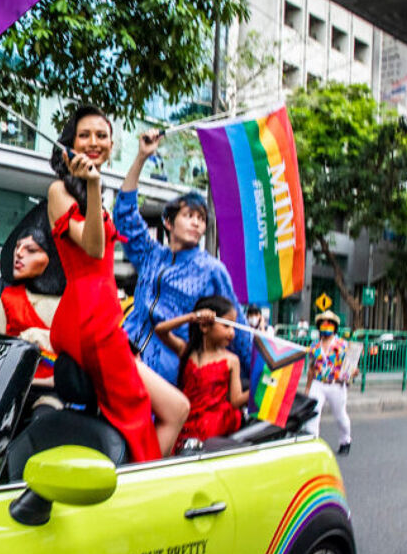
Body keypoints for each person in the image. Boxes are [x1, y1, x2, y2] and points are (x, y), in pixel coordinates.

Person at [46, 105, 188, 461]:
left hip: (104, 320)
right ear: (70, 144)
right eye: (84, 135)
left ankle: (141, 474)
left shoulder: (91, 194)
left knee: (177, 407)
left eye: (102, 135)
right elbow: (93, 248)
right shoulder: (59, 190)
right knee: (136, 417)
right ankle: (143, 482)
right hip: (89, 322)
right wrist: (94, 185)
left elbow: (123, 211)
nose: (94, 142)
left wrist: (140, 157)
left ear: (111, 145)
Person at [114, 143, 254, 388]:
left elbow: (236, 322)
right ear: (168, 223)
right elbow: (125, 216)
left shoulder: (211, 269)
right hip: (124, 349)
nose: (196, 223)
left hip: (170, 365)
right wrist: (142, 156)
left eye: (201, 219)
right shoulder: (151, 254)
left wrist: (256, 372)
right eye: (189, 216)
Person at [0, 203, 65, 389]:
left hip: (58, 393)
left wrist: (36, 337)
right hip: (11, 389)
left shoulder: (73, 299)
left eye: (31, 250)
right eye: (18, 247)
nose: (19, 254)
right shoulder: (9, 299)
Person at [155, 295, 247, 442]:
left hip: (215, 430)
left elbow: (236, 400)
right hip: (185, 425)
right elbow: (160, 330)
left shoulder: (231, 360)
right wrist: (192, 317)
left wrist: (258, 388)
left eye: (233, 327)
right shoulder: (186, 351)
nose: (232, 333)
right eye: (226, 326)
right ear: (204, 326)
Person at [302, 310, 353, 456]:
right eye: (323, 323)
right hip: (318, 384)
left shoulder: (343, 345)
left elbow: (351, 367)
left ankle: (345, 440)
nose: (326, 325)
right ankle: (313, 444)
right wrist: (307, 388)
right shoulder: (314, 347)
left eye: (329, 323)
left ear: (334, 326)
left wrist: (351, 373)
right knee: (313, 414)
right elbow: (311, 368)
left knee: (340, 416)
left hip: (336, 385)